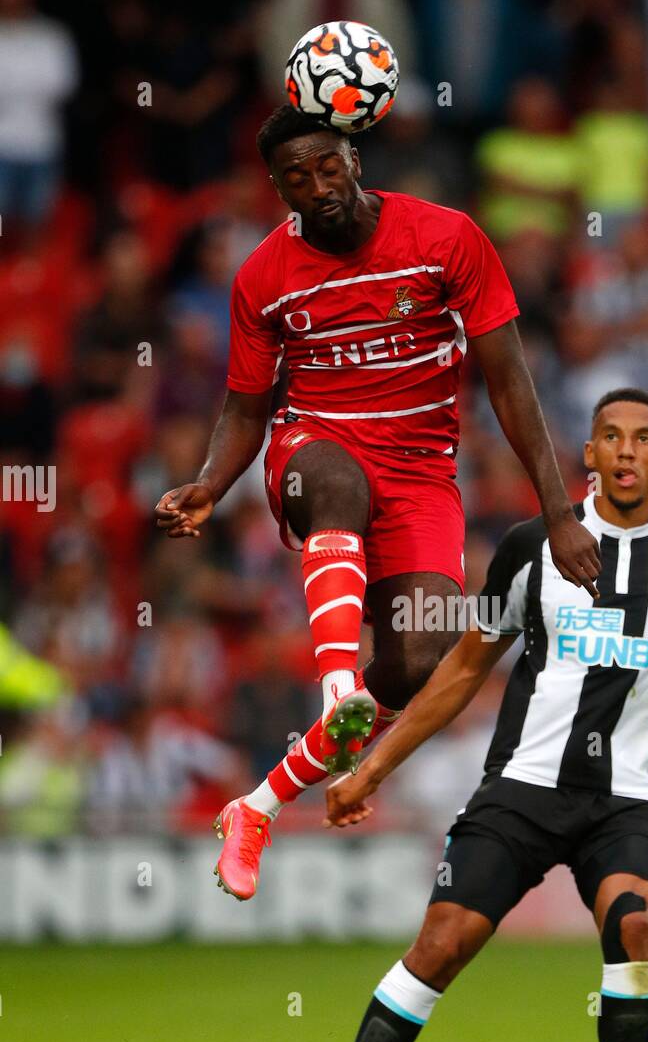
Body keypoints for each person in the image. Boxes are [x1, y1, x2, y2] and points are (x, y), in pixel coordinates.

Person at [250, 388, 648, 1042]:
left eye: (645, 439)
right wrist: (371, 768)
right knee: (438, 948)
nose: (627, 451)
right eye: (610, 438)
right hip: (520, 787)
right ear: (586, 455)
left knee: (633, 924)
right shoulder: (531, 547)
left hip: (624, 801)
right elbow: (461, 668)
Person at [154, 106, 599, 900]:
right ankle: (334, 689)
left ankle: (256, 807)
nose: (317, 188)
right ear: (277, 188)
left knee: (420, 655)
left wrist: (559, 511)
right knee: (337, 484)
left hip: (423, 474)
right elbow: (246, 406)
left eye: (328, 167)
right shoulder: (263, 276)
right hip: (315, 443)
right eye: (296, 178)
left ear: (354, 160)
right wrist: (209, 484)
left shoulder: (446, 238)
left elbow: (509, 380)